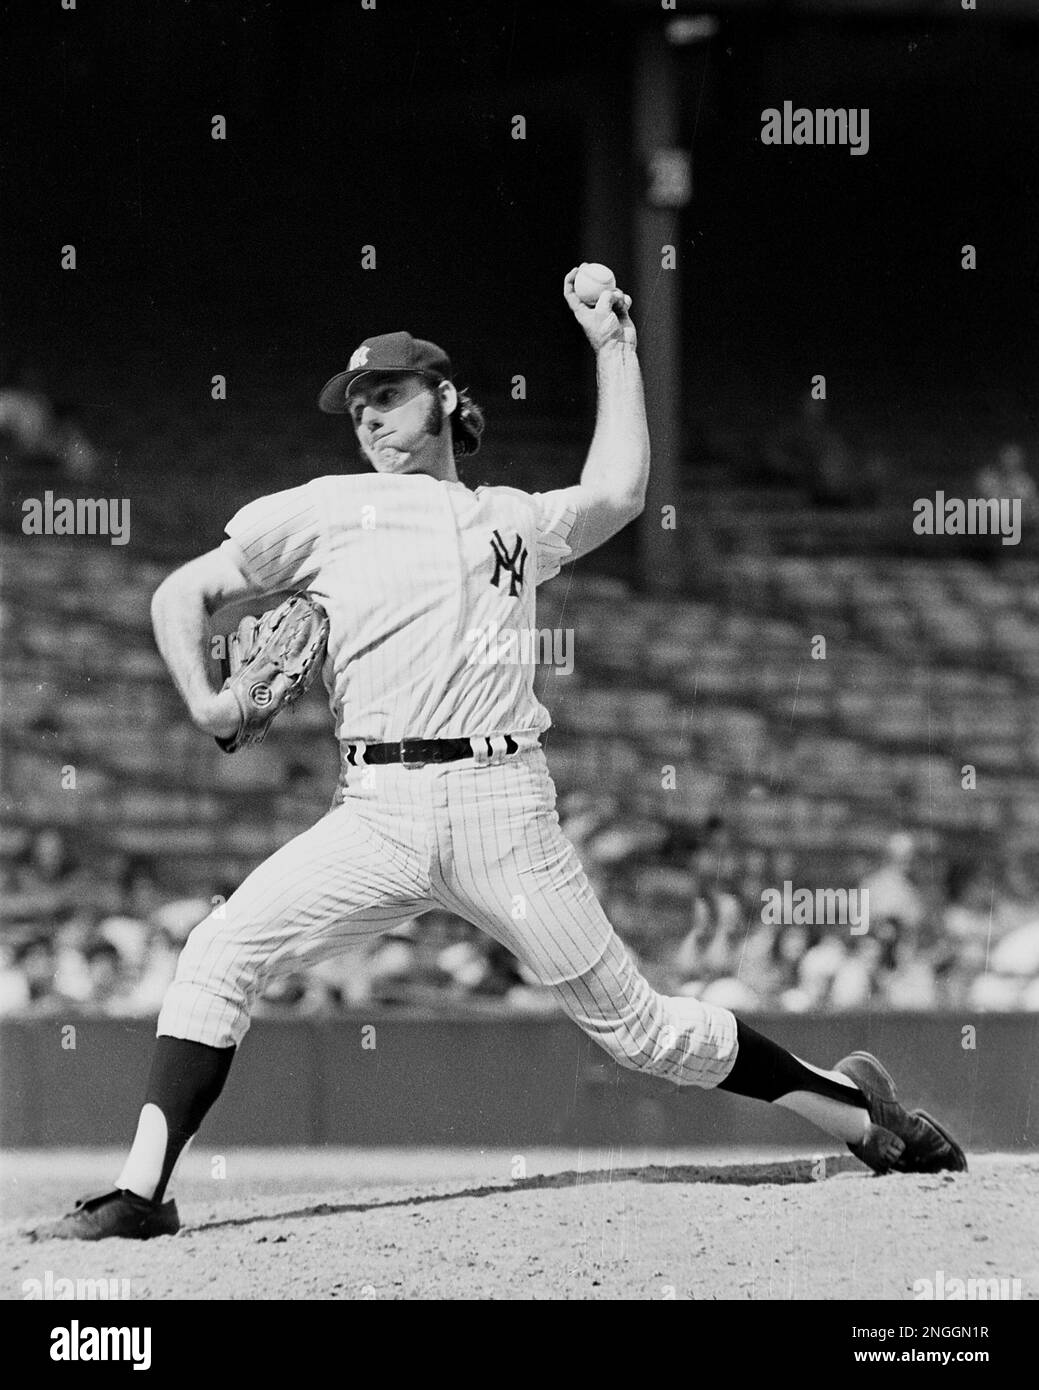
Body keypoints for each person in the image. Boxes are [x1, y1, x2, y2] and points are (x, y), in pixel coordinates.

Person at [33, 271, 965, 1242]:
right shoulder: (322, 507)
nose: (367, 416)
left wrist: (613, 344)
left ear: (442, 397)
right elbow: (178, 592)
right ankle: (143, 1192)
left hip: (501, 805)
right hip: (377, 809)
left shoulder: (514, 518)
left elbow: (619, 491)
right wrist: (207, 699)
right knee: (219, 949)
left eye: (386, 394)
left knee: (643, 1032)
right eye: (355, 404)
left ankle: (858, 1113)